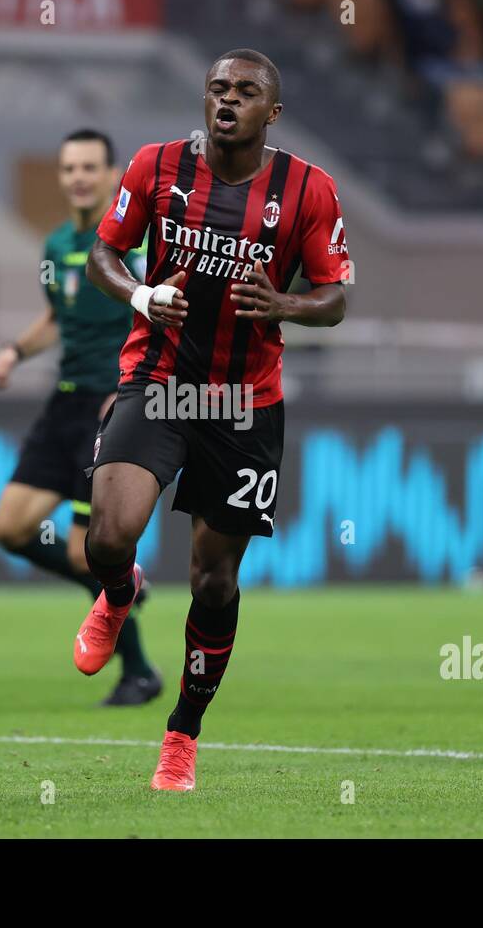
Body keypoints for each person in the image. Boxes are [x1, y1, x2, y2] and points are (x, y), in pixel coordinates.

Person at [78, 49, 350, 790]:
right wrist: (139, 296)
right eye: (218, 88)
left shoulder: (309, 190)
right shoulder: (155, 166)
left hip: (244, 404)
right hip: (158, 380)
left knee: (214, 583)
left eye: (247, 91)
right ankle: (119, 589)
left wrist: (286, 304)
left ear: (273, 111)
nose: (228, 99)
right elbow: (103, 252)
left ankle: (182, 736)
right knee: (106, 535)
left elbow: (334, 295)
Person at [0, 129, 160, 706]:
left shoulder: (135, 247)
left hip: (112, 404)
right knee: (9, 527)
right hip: (64, 403)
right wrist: (14, 350)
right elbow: (57, 318)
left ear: (113, 175)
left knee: (83, 550)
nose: (78, 177)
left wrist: (136, 395)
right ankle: (124, 587)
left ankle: (137, 670)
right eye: (68, 168)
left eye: (90, 166)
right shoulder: (57, 245)